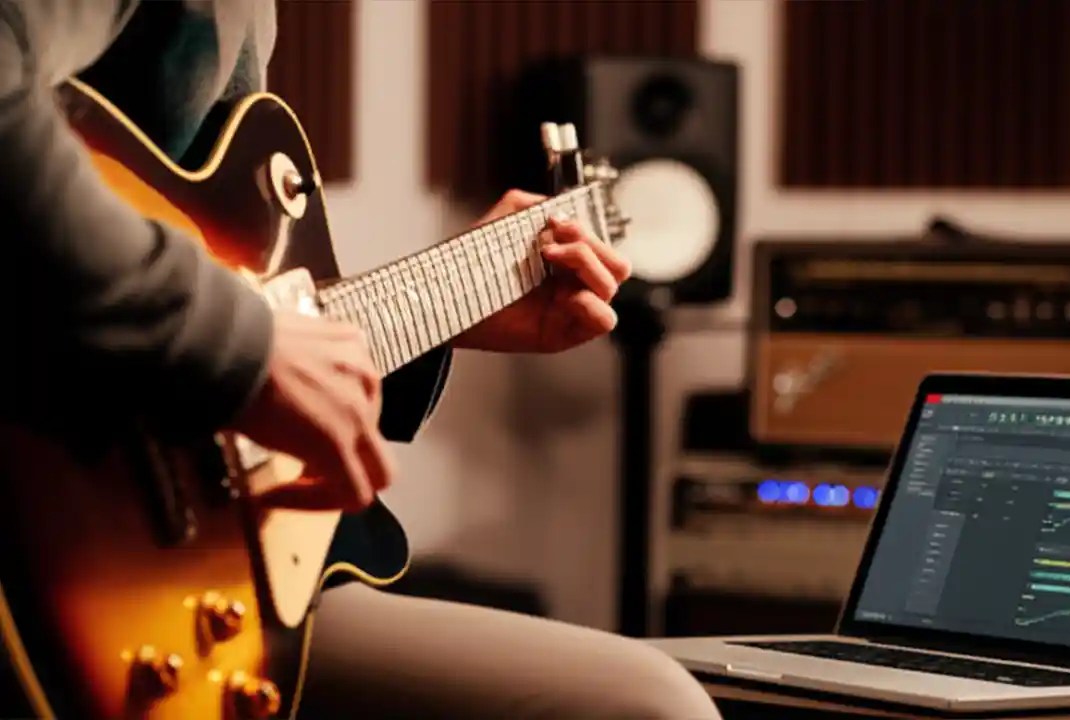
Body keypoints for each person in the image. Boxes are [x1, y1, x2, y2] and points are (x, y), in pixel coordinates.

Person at [0, 1, 723, 718]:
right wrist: (239, 344)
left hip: (174, 567)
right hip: (60, 565)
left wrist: (448, 307)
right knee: (653, 707)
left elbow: (225, 307)